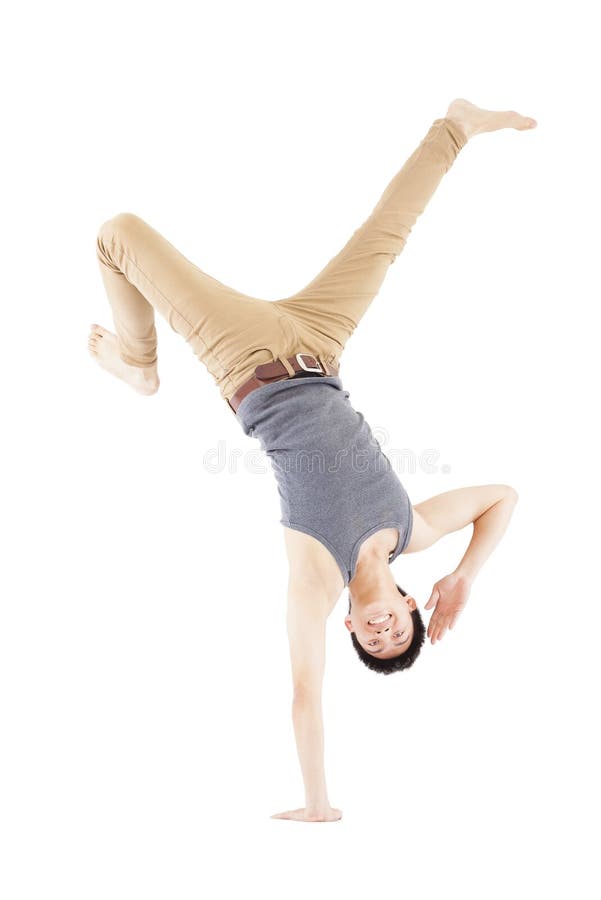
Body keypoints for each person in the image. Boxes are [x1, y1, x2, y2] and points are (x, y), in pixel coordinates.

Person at [90, 98, 536, 822]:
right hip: (319, 344)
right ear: (407, 605)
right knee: (384, 237)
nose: (385, 632)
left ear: (353, 627)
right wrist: (462, 575)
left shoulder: (315, 580)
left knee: (117, 235)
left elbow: (304, 695)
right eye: (401, 631)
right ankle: (456, 122)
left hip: (244, 358)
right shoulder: (408, 531)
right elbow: (503, 497)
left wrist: (318, 804)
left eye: (375, 642)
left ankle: (140, 366)